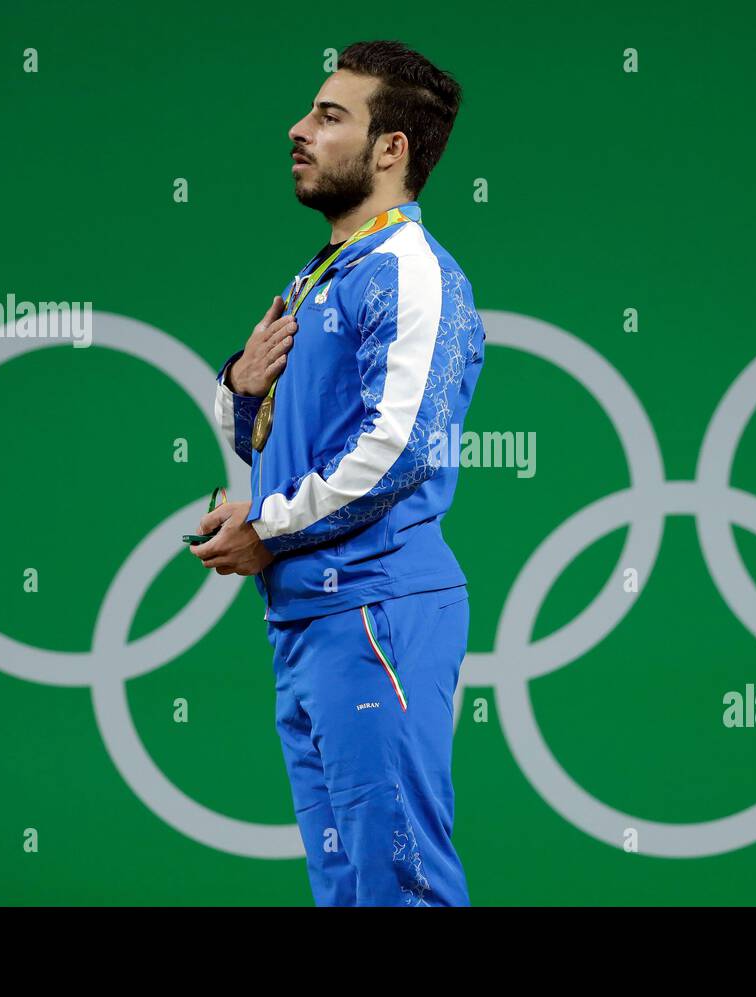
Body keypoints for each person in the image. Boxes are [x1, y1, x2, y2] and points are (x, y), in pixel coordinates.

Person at [189, 40, 483, 907]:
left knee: (401, 886)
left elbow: (402, 454)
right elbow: (276, 446)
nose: (298, 129)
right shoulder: (322, 278)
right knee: (350, 890)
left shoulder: (411, 271)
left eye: (329, 116)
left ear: (391, 148)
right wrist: (239, 391)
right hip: (310, 615)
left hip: (377, 612)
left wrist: (266, 527)